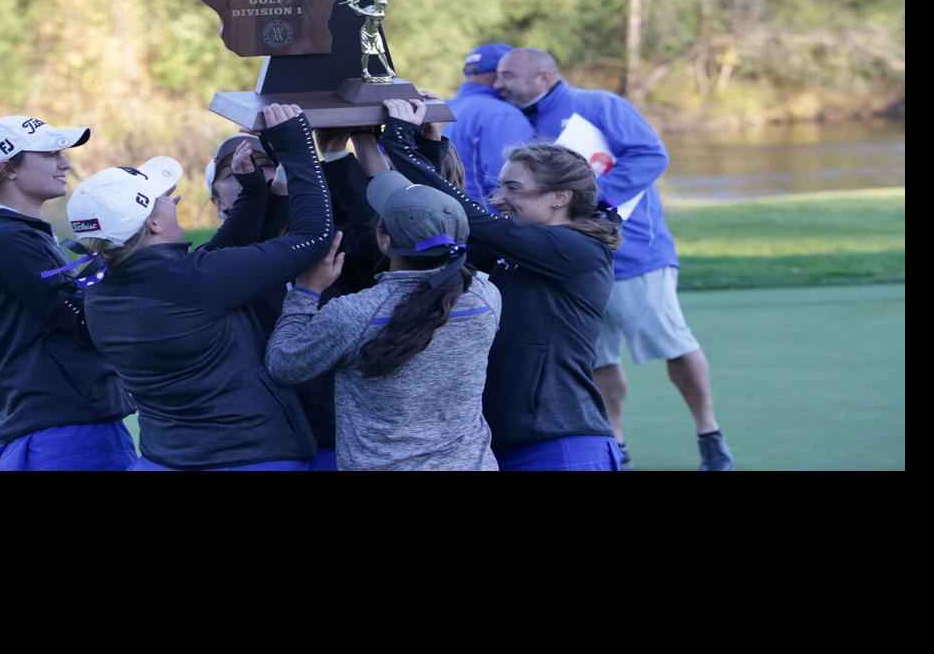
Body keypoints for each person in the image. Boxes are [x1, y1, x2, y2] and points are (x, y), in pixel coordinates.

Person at [493, 48, 735, 471]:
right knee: (597, 358)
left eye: (508, 75)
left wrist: (587, 203)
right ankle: (617, 442)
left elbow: (651, 155)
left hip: (635, 254)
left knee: (673, 344)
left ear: (543, 77)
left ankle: (709, 434)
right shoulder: (516, 120)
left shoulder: (599, 104)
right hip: (559, 264)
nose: (499, 84)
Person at [66, 104, 334, 471]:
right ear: (154, 225)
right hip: (247, 458)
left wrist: (254, 192)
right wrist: (298, 145)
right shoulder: (193, 280)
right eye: (164, 199)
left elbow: (215, 257)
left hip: (165, 459)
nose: (173, 200)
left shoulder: (103, 293)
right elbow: (314, 237)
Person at [380, 98, 622, 471]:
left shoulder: (579, 250)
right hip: (502, 444)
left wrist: (399, 142)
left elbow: (474, 219)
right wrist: (428, 147)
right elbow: (440, 220)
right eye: (499, 186)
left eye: (513, 188)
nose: (497, 198)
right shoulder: (514, 250)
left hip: (561, 446)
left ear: (560, 197)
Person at [0, 115, 136, 471]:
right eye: (49, 155)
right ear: (8, 169)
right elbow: (82, 319)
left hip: (69, 424)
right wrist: (135, 250)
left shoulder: (14, 233)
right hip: (66, 431)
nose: (65, 164)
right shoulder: (7, 237)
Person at [265, 172, 502, 471]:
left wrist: (305, 291)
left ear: (385, 241)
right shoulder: (486, 297)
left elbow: (283, 365)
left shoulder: (354, 314)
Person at [200, 128, 382, 471]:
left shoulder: (330, 245)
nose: (252, 173)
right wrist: (267, 191)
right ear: (217, 201)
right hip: (265, 446)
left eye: (265, 164)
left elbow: (375, 230)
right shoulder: (209, 264)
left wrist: (336, 152)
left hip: (340, 435)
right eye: (233, 172)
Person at [443, 43, 535, 204]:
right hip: (484, 215)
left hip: (443, 213)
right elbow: (510, 184)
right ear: (501, 73)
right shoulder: (503, 115)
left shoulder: (440, 106)